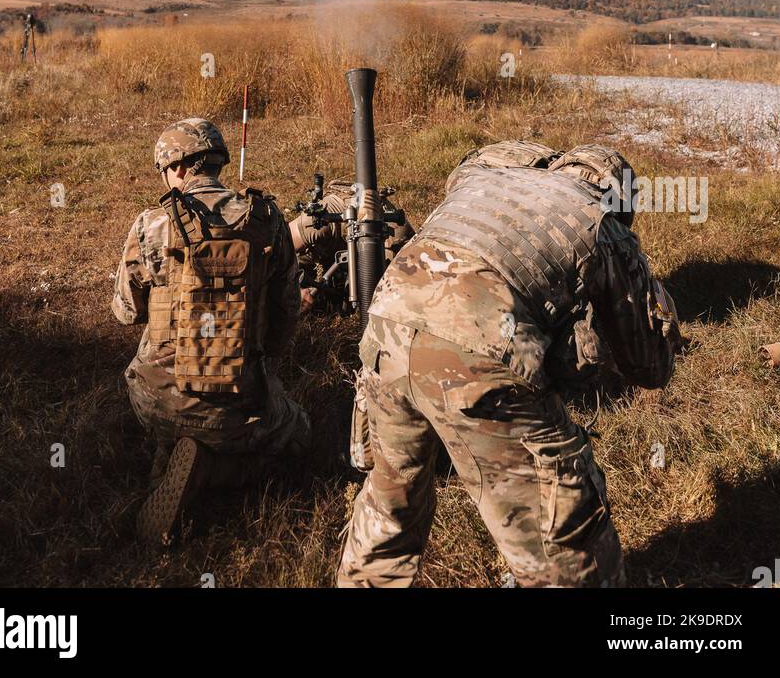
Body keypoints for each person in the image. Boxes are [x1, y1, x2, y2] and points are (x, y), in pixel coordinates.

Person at [337, 140, 681, 588]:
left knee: (389, 506)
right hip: (476, 351)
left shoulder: (488, 183)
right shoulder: (602, 223)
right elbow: (649, 366)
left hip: (386, 326)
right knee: (564, 536)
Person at [111, 116, 309, 545]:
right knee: (300, 434)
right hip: (239, 407)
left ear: (178, 167)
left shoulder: (150, 225)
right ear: (214, 162)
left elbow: (126, 312)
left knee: (172, 410)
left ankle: (173, 447)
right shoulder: (267, 221)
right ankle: (216, 467)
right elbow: (286, 313)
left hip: (152, 399)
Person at [291, 178, 415, 312]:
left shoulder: (312, 225)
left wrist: (293, 294)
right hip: (346, 240)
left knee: (390, 301)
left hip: (387, 238)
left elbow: (280, 246)